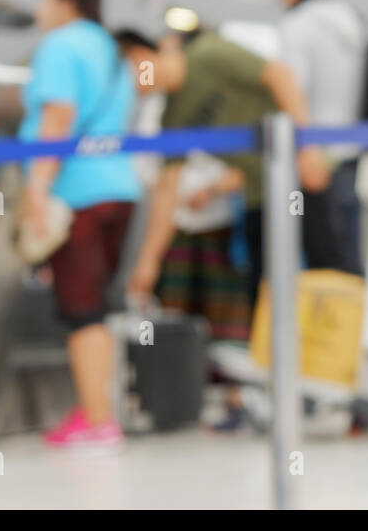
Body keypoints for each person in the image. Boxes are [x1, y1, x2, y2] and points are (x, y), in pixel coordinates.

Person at [115, 28, 329, 337]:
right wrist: (148, 263)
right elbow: (166, 191)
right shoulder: (173, 118)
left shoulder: (208, 54)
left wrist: (307, 149)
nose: (130, 91)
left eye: (126, 77)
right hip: (260, 199)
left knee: (329, 281)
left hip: (306, 182)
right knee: (266, 301)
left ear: (139, 59)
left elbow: (279, 75)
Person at [19, 0, 140, 448]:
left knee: (81, 309)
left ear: (68, 2)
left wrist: (37, 190)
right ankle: (97, 410)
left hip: (78, 194)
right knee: (97, 306)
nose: (39, 8)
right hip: (120, 187)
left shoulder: (59, 46)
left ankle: (98, 421)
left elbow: (58, 117)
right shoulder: (111, 50)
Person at [275, 0, 367, 276]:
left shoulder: (298, 23)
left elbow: (292, 87)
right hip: (349, 152)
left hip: (314, 157)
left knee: (321, 260)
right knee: (347, 258)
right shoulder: (349, 18)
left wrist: (307, 148)